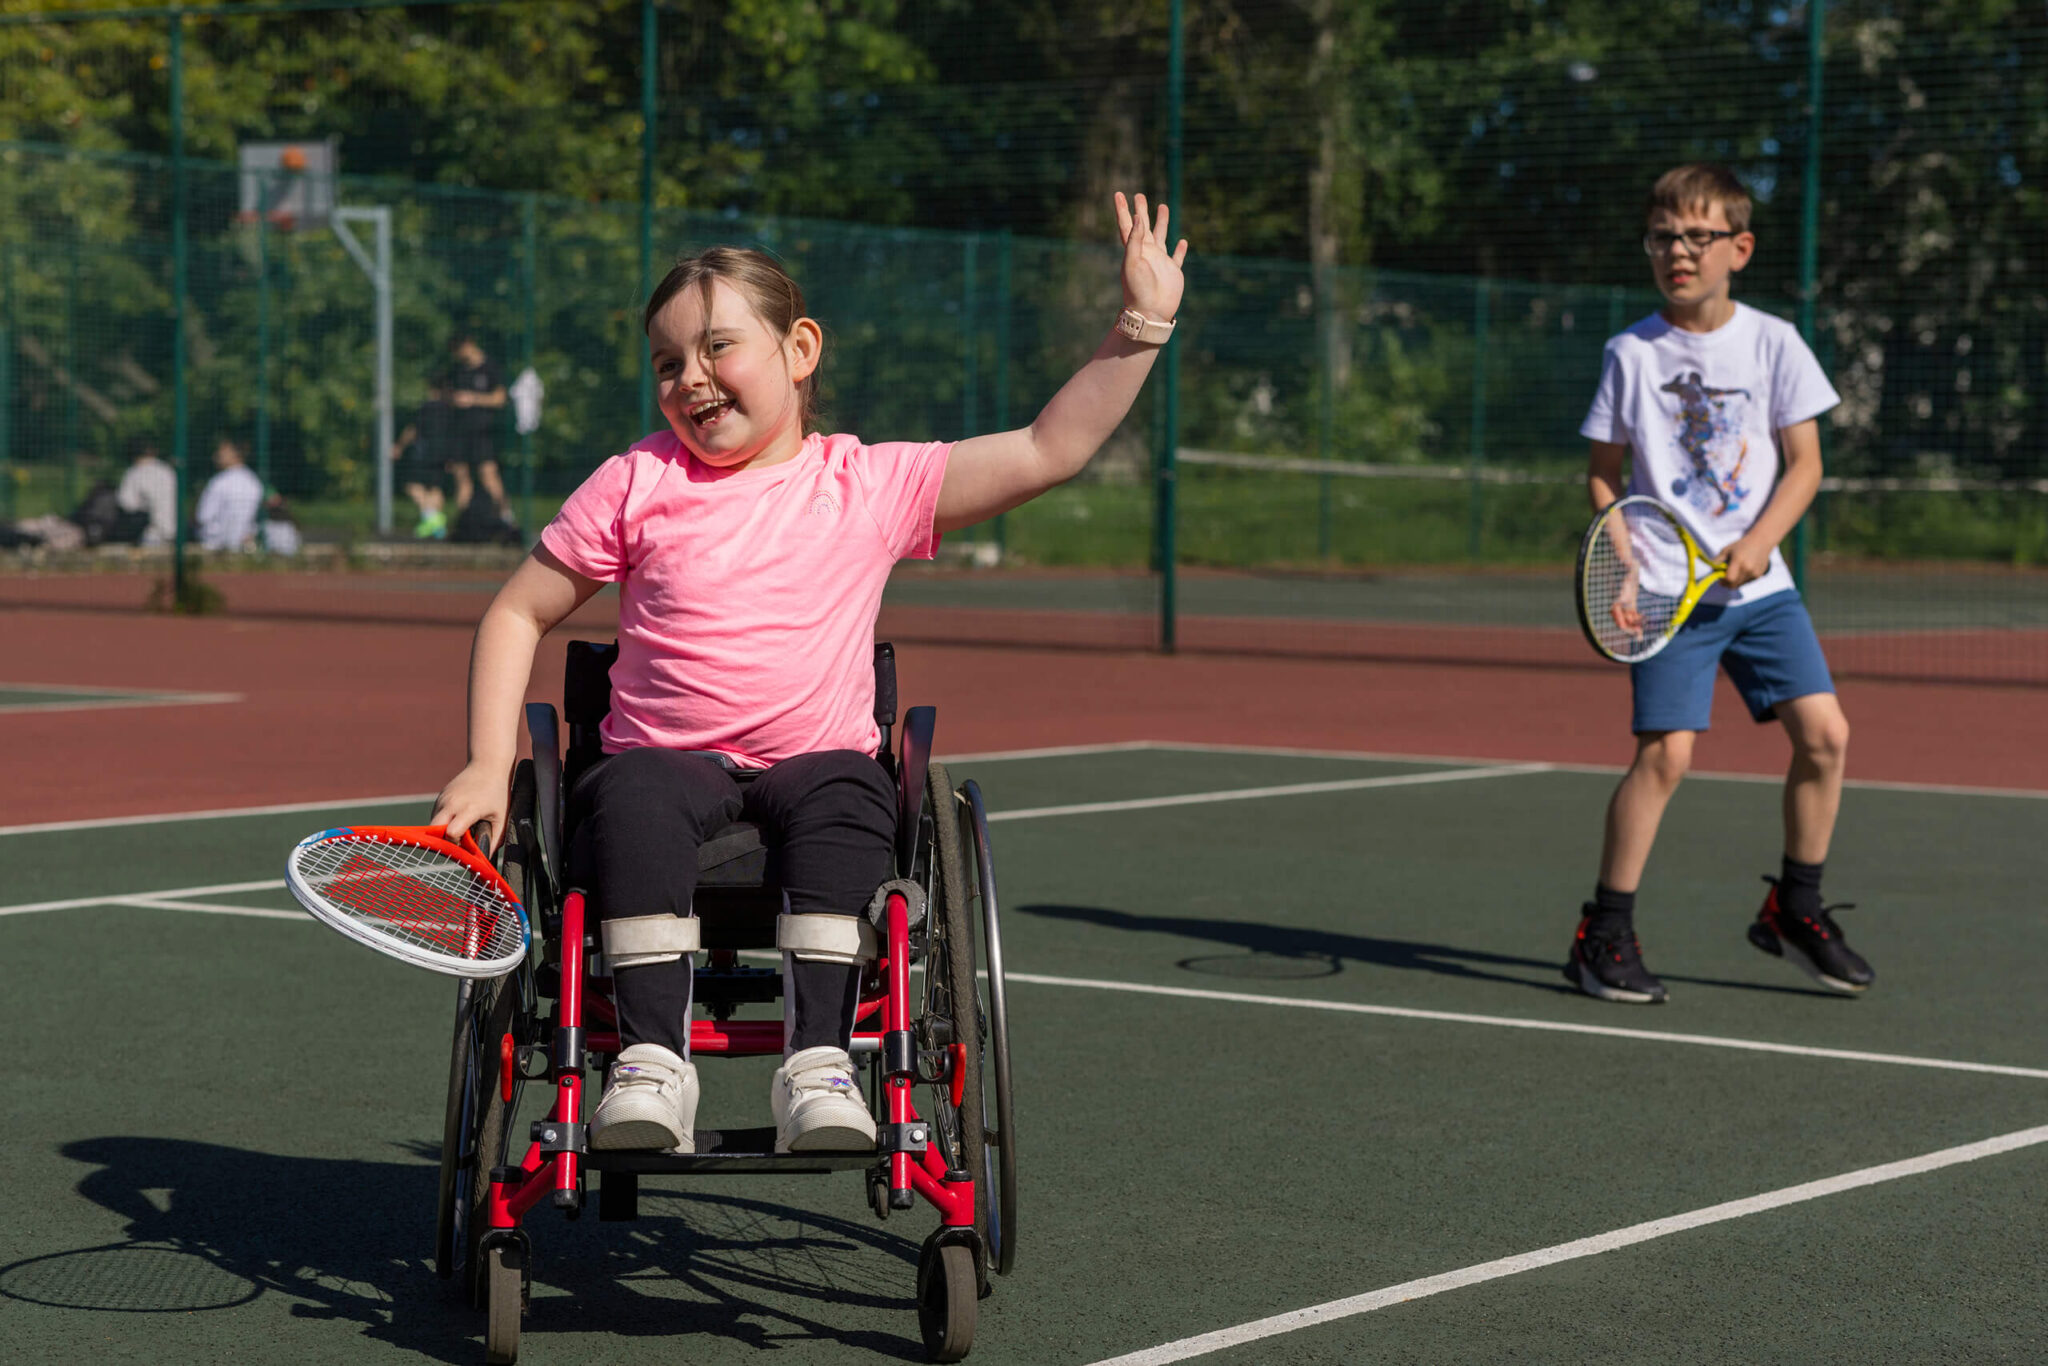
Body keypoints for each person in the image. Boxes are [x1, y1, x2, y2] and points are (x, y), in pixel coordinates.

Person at [433, 193, 1187, 1154]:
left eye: (717, 348)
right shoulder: (636, 482)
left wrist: (1144, 323)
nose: (690, 379)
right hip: (663, 761)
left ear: (800, 350)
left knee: (849, 790)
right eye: (668, 363)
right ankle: (652, 1065)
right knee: (632, 795)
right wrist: (486, 762)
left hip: (815, 763)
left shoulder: (866, 482)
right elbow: (516, 609)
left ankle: (819, 1066)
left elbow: (1051, 448)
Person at [1565, 163, 1868, 1006]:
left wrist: (1759, 540)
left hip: (1761, 589)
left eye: (1699, 238)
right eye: (1664, 237)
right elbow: (1604, 476)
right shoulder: (1630, 352)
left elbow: (1806, 466)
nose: (1679, 253)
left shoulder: (1774, 342)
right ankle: (1604, 934)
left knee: (1827, 737)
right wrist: (1625, 560)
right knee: (1667, 756)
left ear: (1739, 247)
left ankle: (1794, 910)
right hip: (1667, 596)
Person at [440, 333, 513, 537]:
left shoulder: (490, 367)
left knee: (488, 475)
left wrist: (473, 399)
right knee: (460, 476)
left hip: (482, 432)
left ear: (469, 344)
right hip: (459, 432)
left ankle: (506, 517)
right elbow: (444, 394)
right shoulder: (457, 370)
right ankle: (464, 523)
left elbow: (499, 399)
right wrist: (453, 399)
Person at [194, 436, 265, 552]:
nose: (217, 455)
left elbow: (203, 517)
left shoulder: (219, 482)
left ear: (236, 453)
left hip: (214, 546)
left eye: (222, 451)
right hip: (245, 545)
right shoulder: (254, 482)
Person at [115, 436, 177, 547]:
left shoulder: (134, 473)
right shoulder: (168, 470)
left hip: (151, 534)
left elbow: (126, 504)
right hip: (174, 531)